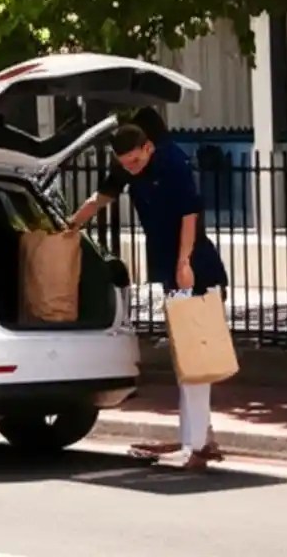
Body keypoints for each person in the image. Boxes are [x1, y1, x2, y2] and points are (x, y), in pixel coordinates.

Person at [68, 118, 230, 471]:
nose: (132, 169)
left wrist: (184, 261)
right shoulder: (127, 168)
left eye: (137, 162)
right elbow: (101, 197)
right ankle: (198, 438)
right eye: (125, 164)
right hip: (170, 269)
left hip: (195, 267)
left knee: (195, 359)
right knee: (184, 360)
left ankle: (198, 443)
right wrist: (71, 225)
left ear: (148, 148)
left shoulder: (172, 161)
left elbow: (190, 212)